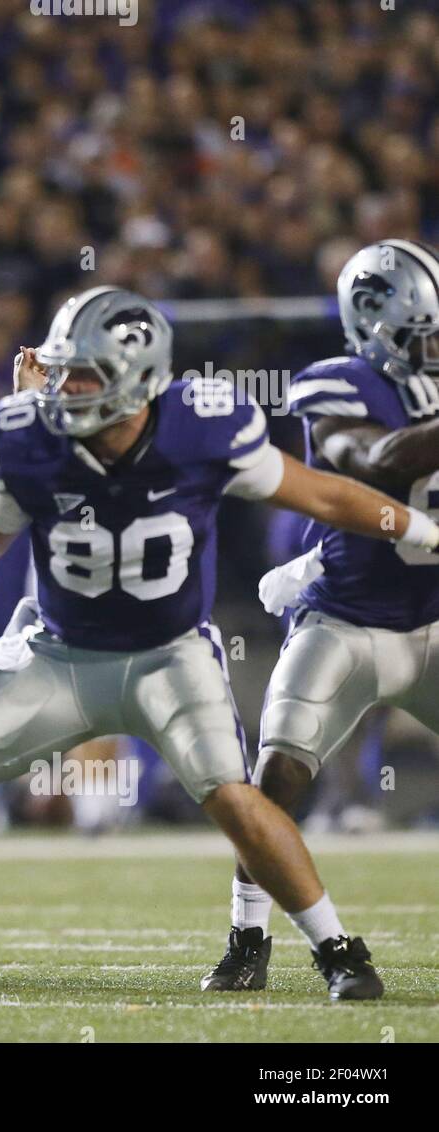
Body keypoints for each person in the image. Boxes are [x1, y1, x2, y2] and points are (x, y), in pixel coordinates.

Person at [0, 286, 439, 1002]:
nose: (65, 388)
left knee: (236, 797)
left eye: (85, 376)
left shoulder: (201, 428)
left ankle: (337, 949)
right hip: (56, 654)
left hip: (169, 657)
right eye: (62, 370)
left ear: (140, 380)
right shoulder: (28, 437)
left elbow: (326, 496)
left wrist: (426, 534)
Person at [202, 239, 439, 990]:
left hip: (433, 625)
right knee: (275, 778)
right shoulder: (335, 382)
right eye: (429, 336)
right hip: (346, 621)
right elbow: (376, 461)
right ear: (377, 322)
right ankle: (248, 939)